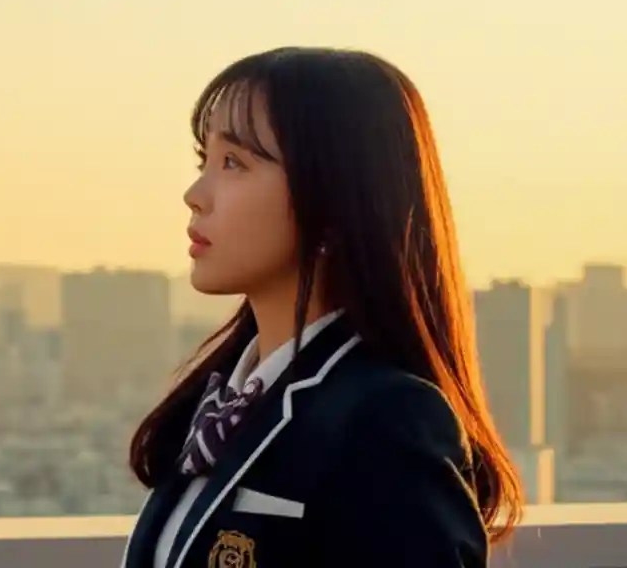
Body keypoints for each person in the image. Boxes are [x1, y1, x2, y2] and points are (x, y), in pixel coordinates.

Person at [122, 48, 523, 568]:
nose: (196, 194)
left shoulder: (385, 420)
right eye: (205, 160)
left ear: (335, 201)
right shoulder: (219, 403)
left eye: (234, 163)